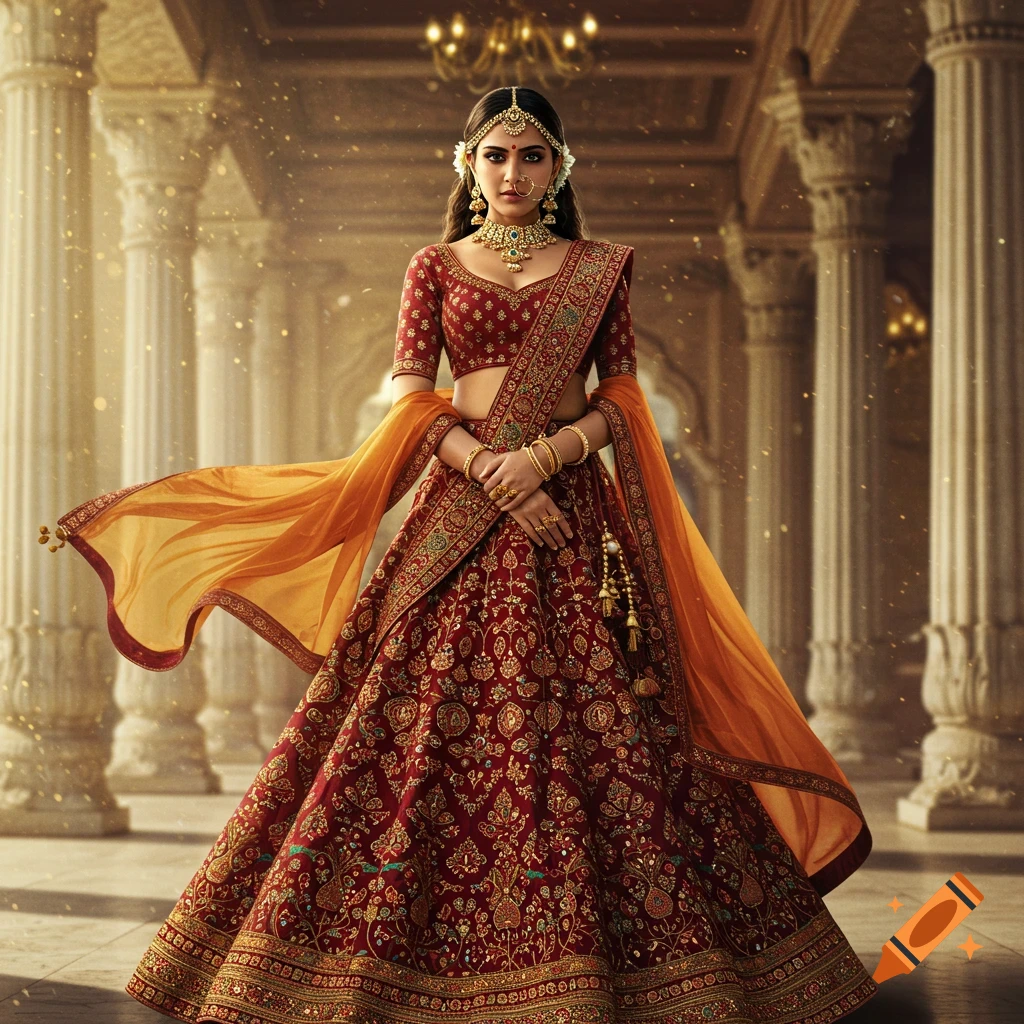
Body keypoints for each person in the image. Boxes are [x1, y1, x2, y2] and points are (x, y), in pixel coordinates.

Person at [53, 86, 878, 1022]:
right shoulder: (434, 266)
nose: (514, 173)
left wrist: (544, 458)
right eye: (497, 156)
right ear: (468, 166)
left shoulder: (604, 266)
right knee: (398, 725)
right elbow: (411, 395)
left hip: (569, 515)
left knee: (617, 727)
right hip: (461, 511)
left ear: (560, 167)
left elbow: (622, 400)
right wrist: (489, 465)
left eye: (532, 156)